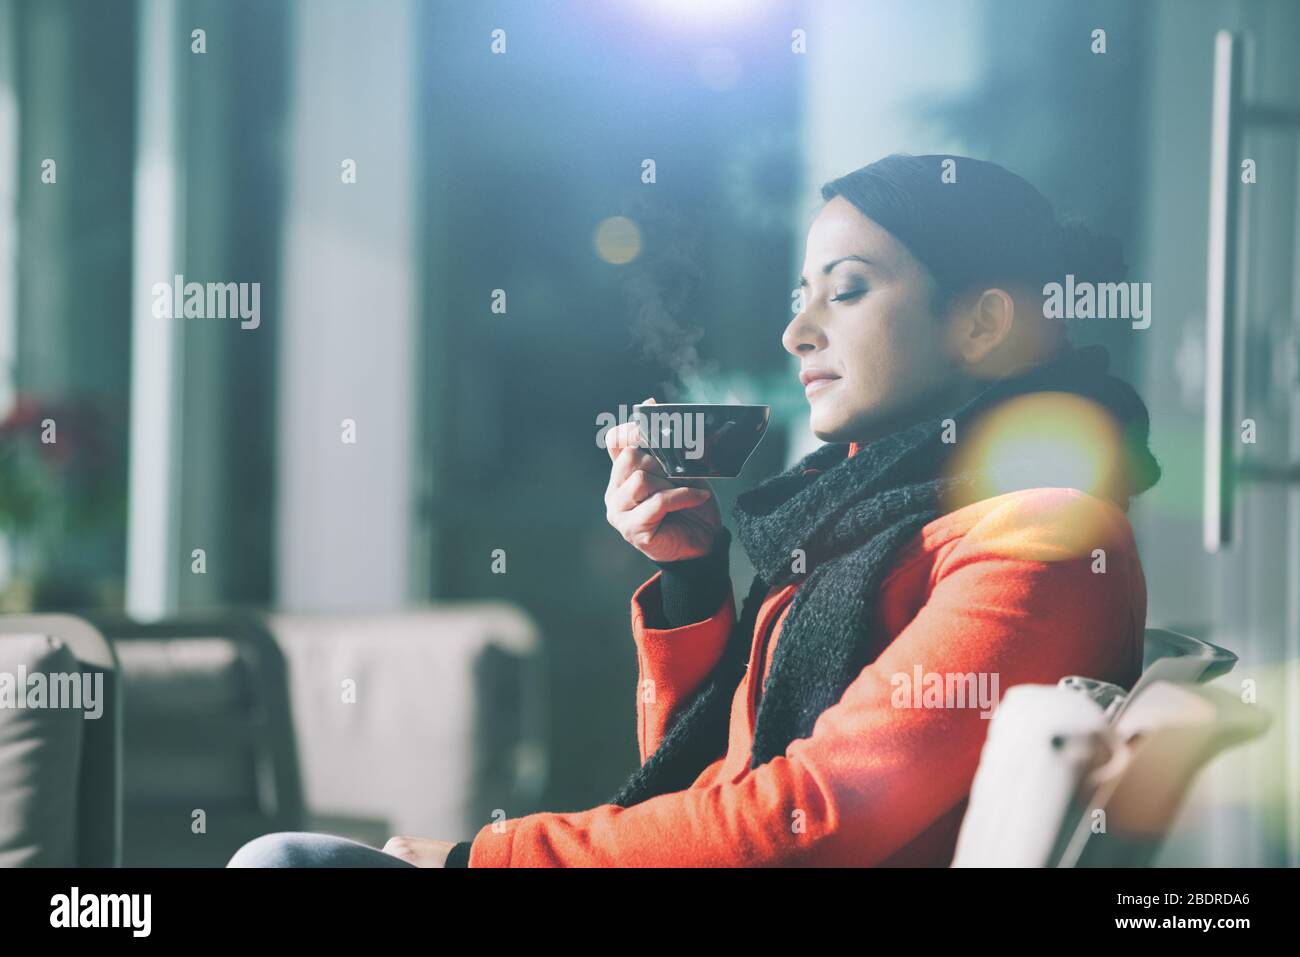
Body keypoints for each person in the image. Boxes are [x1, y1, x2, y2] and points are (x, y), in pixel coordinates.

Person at [228, 152, 1160, 868]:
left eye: (847, 289)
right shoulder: (886, 511)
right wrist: (693, 576)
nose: (798, 331)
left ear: (983, 325)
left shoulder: (1038, 539)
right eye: (802, 297)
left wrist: (485, 854)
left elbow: (806, 812)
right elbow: (720, 770)